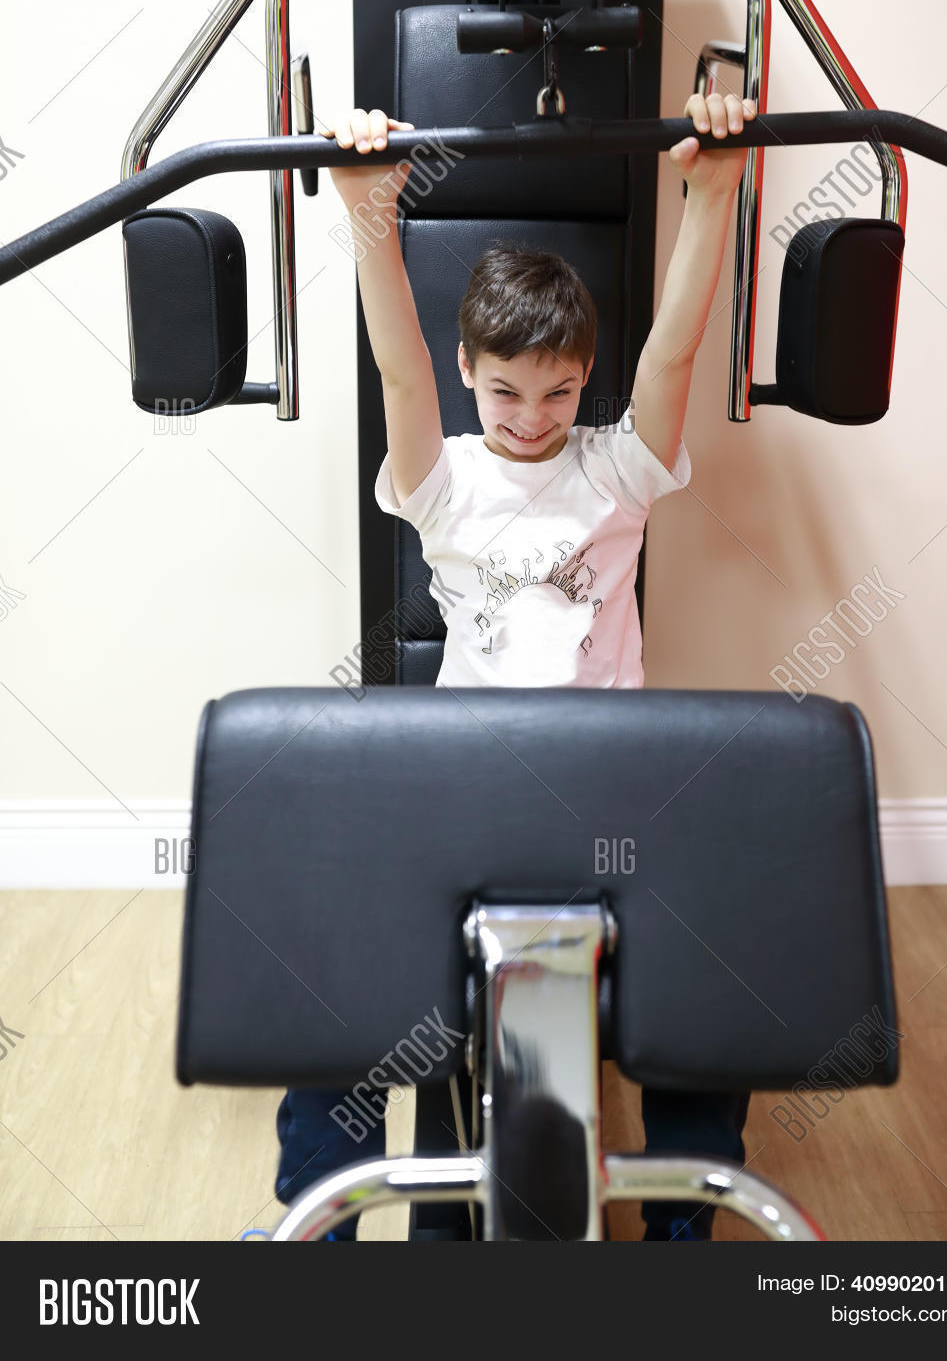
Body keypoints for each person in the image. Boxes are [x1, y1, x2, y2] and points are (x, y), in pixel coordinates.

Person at [275, 90, 756, 1239]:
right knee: (328, 980)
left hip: (618, 793)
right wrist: (368, 218)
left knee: (716, 971)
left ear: (584, 375)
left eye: (556, 391)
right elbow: (398, 374)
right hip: (467, 798)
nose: (531, 416)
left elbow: (676, 344)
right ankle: (313, 1234)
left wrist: (713, 197)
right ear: (468, 371)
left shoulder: (618, 470)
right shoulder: (439, 479)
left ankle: (683, 1233)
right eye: (501, 390)